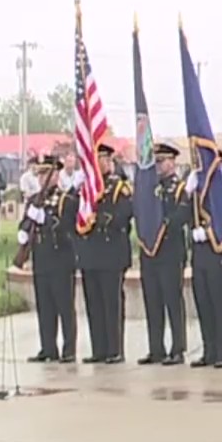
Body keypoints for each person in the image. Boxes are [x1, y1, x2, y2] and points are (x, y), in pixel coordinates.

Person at [68, 142, 133, 363]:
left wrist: (103, 219)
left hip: (111, 253)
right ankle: (99, 349)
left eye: (104, 160)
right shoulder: (85, 189)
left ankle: (115, 349)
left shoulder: (119, 187)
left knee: (111, 302)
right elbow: (72, 216)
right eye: (96, 161)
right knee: (93, 303)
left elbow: (124, 214)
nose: (101, 164)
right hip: (90, 253)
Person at [21, 151, 80, 362]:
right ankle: (48, 348)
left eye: (46, 174)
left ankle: (69, 349)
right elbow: (26, 224)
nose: (42, 178)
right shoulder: (35, 200)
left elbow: (65, 226)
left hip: (60, 258)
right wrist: (23, 231)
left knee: (64, 305)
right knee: (44, 306)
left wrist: (45, 219)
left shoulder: (67, 199)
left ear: (55, 175)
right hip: (41, 259)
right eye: (39, 175)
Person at [138, 142, 192, 365]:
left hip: (170, 251)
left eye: (162, 161)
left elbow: (182, 214)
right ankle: (156, 348)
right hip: (150, 252)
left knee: (172, 301)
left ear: (173, 162)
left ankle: (178, 348)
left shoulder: (179, 188)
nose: (158, 166)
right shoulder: (148, 188)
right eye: (156, 161)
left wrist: (164, 224)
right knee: (152, 302)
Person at [188, 169, 222, 370]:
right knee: (203, 303)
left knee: (219, 304)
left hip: (216, 254)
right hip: (199, 255)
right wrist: (187, 194)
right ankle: (208, 351)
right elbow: (186, 216)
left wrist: (209, 232)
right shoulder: (195, 192)